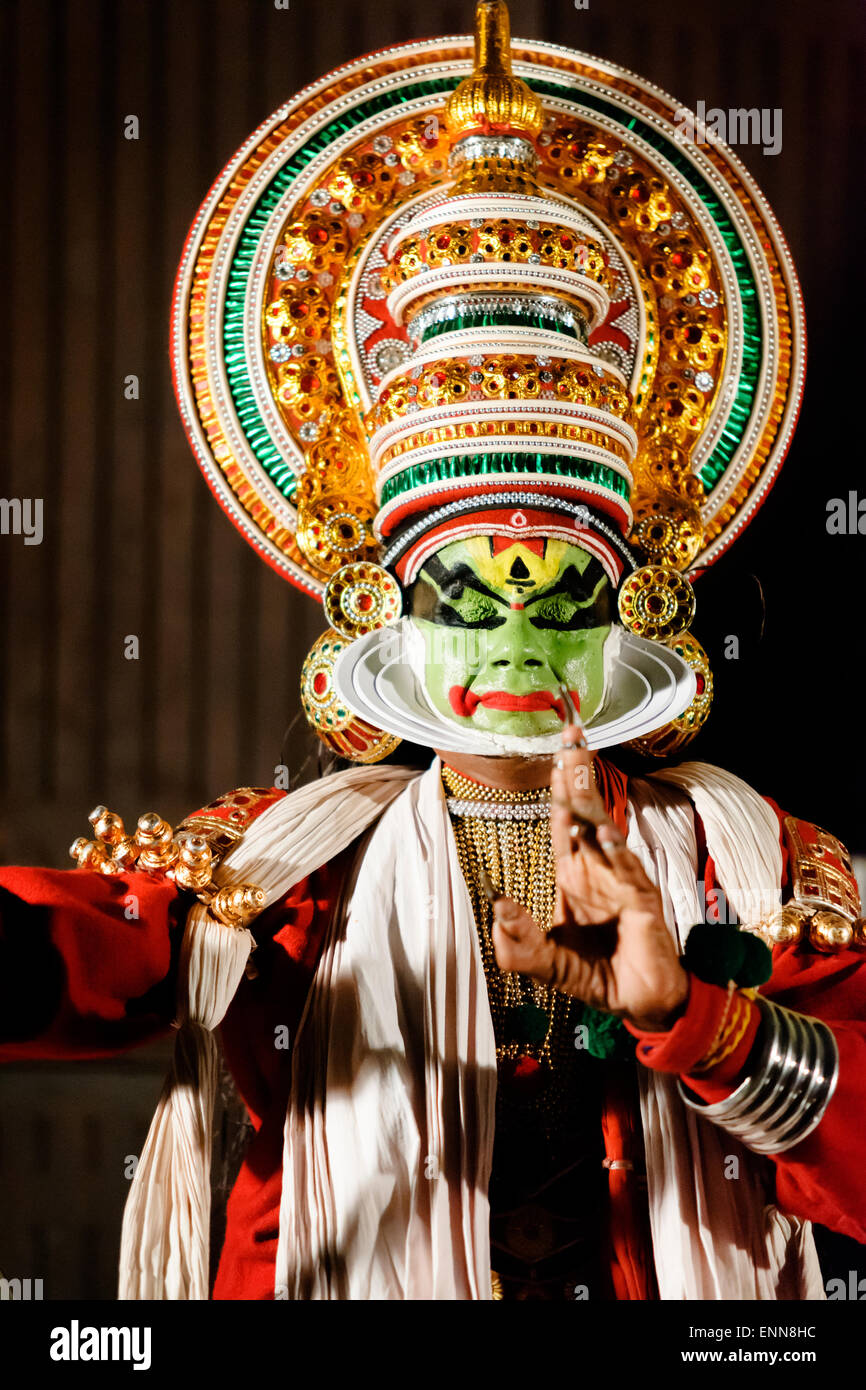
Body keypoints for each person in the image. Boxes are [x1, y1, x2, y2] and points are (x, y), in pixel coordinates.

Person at [1, 0, 864, 1301]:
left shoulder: (760, 875)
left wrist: (700, 1017)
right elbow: (65, 963)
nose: (515, 638)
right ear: (382, 603)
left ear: (634, 607)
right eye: (467, 590)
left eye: (559, 590)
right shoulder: (290, 872)